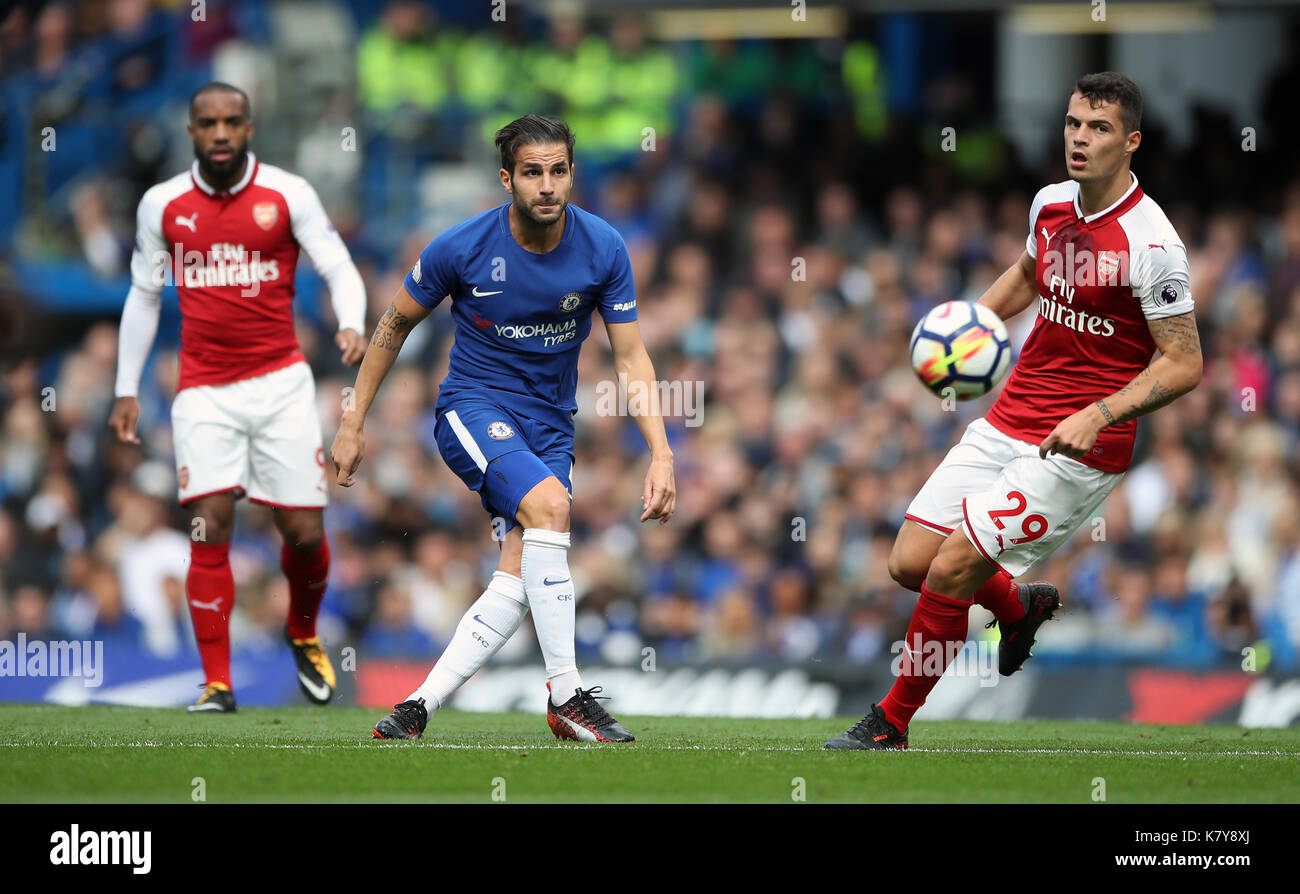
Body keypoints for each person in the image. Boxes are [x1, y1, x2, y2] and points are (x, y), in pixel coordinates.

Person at [827, 72, 1203, 749]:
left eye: (1099, 129)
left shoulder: (1153, 244)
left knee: (950, 569)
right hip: (1009, 416)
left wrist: (1101, 414)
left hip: (1078, 448)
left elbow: (1184, 361)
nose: (1080, 139)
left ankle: (891, 722)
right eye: (1073, 124)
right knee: (910, 562)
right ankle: (1018, 606)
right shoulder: (1051, 204)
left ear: (1132, 142)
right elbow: (1030, 277)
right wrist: (969, 325)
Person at [332, 114, 675, 742]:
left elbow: (630, 356)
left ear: (573, 174)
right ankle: (568, 695)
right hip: (473, 408)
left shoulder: (604, 248)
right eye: (532, 173)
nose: (547, 185)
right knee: (551, 510)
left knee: (518, 576)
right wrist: (353, 421)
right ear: (507, 180)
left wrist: (661, 453)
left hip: (551, 427)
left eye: (559, 171)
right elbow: (393, 325)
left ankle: (417, 708)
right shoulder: (459, 247)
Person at [109, 82, 368, 713]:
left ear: (249, 129)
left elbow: (337, 264)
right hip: (202, 389)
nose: (220, 133)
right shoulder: (162, 205)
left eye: (232, 122)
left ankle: (303, 631)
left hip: (281, 384)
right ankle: (217, 682)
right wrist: (125, 387)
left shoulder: (287, 193)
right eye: (208, 123)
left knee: (303, 530)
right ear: (191, 131)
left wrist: (352, 319)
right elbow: (144, 295)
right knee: (209, 524)